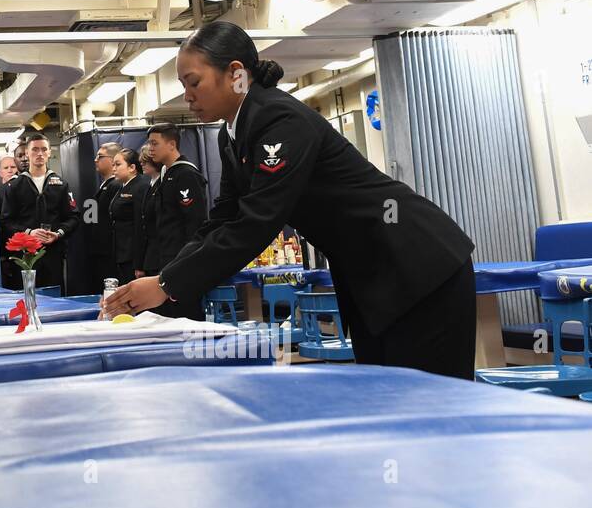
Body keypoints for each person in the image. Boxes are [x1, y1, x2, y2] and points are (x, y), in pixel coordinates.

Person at [103, 21, 477, 379]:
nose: (187, 96)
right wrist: (166, 277)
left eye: (194, 82)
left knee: (431, 406)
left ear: (235, 73)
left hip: (415, 263)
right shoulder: (232, 134)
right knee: (389, 398)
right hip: (369, 272)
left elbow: (256, 222)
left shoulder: (278, 119)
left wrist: (167, 285)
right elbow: (222, 220)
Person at [139, 124, 208, 320]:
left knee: (185, 317)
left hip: (182, 261)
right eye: (149, 143)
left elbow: (196, 223)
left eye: (155, 143)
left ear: (171, 144)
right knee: (166, 317)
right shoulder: (165, 174)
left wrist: (186, 261)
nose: (150, 148)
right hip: (165, 259)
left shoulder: (185, 174)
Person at [0, 134, 79, 290]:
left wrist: (59, 233)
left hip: (53, 254)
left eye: (44, 149)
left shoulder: (61, 184)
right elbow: (6, 222)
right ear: (27, 153)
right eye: (35, 150)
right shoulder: (15, 186)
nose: (40, 154)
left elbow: (73, 217)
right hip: (25, 256)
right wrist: (29, 232)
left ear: (49, 153)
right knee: (28, 298)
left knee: (54, 299)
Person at [80, 142, 121, 296]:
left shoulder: (116, 186)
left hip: (110, 252)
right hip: (101, 251)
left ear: (113, 160)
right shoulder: (105, 186)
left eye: (100, 156)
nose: (96, 160)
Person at [107, 148, 146, 285]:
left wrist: (139, 263)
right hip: (122, 252)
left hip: (132, 255)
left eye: (118, 164)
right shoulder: (122, 187)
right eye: (113, 165)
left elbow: (140, 226)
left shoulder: (141, 186)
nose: (114, 169)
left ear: (132, 167)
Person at [0, 154, 22, 287]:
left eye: (13, 167)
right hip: (5, 249)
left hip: (23, 244)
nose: (10, 170)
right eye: (6, 167)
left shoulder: (25, 191)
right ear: (0, 172)